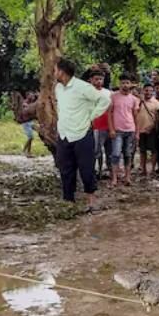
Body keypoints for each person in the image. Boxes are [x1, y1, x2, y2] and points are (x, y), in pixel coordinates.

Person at [53, 58, 110, 206]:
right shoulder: (58, 88)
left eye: (55, 70)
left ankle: (91, 199)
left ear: (62, 71)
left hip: (82, 133)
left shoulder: (82, 87)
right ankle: (68, 200)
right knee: (65, 168)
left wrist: (91, 116)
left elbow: (104, 101)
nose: (53, 73)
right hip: (64, 133)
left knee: (86, 168)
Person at [109, 74, 140, 186]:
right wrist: (111, 129)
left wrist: (137, 132)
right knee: (116, 154)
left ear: (131, 84)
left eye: (127, 83)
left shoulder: (134, 99)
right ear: (119, 84)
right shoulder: (113, 96)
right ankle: (114, 179)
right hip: (117, 130)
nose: (125, 85)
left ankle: (127, 178)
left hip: (130, 130)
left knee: (128, 154)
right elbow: (110, 113)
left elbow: (136, 116)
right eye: (123, 83)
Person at [89, 70, 113, 178]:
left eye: (100, 79)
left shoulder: (108, 93)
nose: (99, 81)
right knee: (96, 150)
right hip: (96, 126)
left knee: (110, 150)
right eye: (96, 79)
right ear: (91, 80)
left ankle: (109, 170)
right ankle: (96, 170)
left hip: (109, 125)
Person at [136, 84, 159, 177]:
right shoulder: (138, 101)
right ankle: (143, 169)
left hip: (152, 130)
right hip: (140, 129)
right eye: (146, 90)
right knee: (142, 151)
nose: (148, 92)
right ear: (143, 91)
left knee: (153, 150)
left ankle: (153, 169)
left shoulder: (156, 103)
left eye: (151, 90)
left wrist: (152, 127)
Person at [21, 92, 38, 158]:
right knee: (30, 137)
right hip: (26, 123)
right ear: (27, 96)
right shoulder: (25, 104)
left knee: (31, 138)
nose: (32, 96)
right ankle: (24, 151)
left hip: (30, 122)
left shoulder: (31, 103)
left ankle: (28, 152)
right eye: (31, 95)